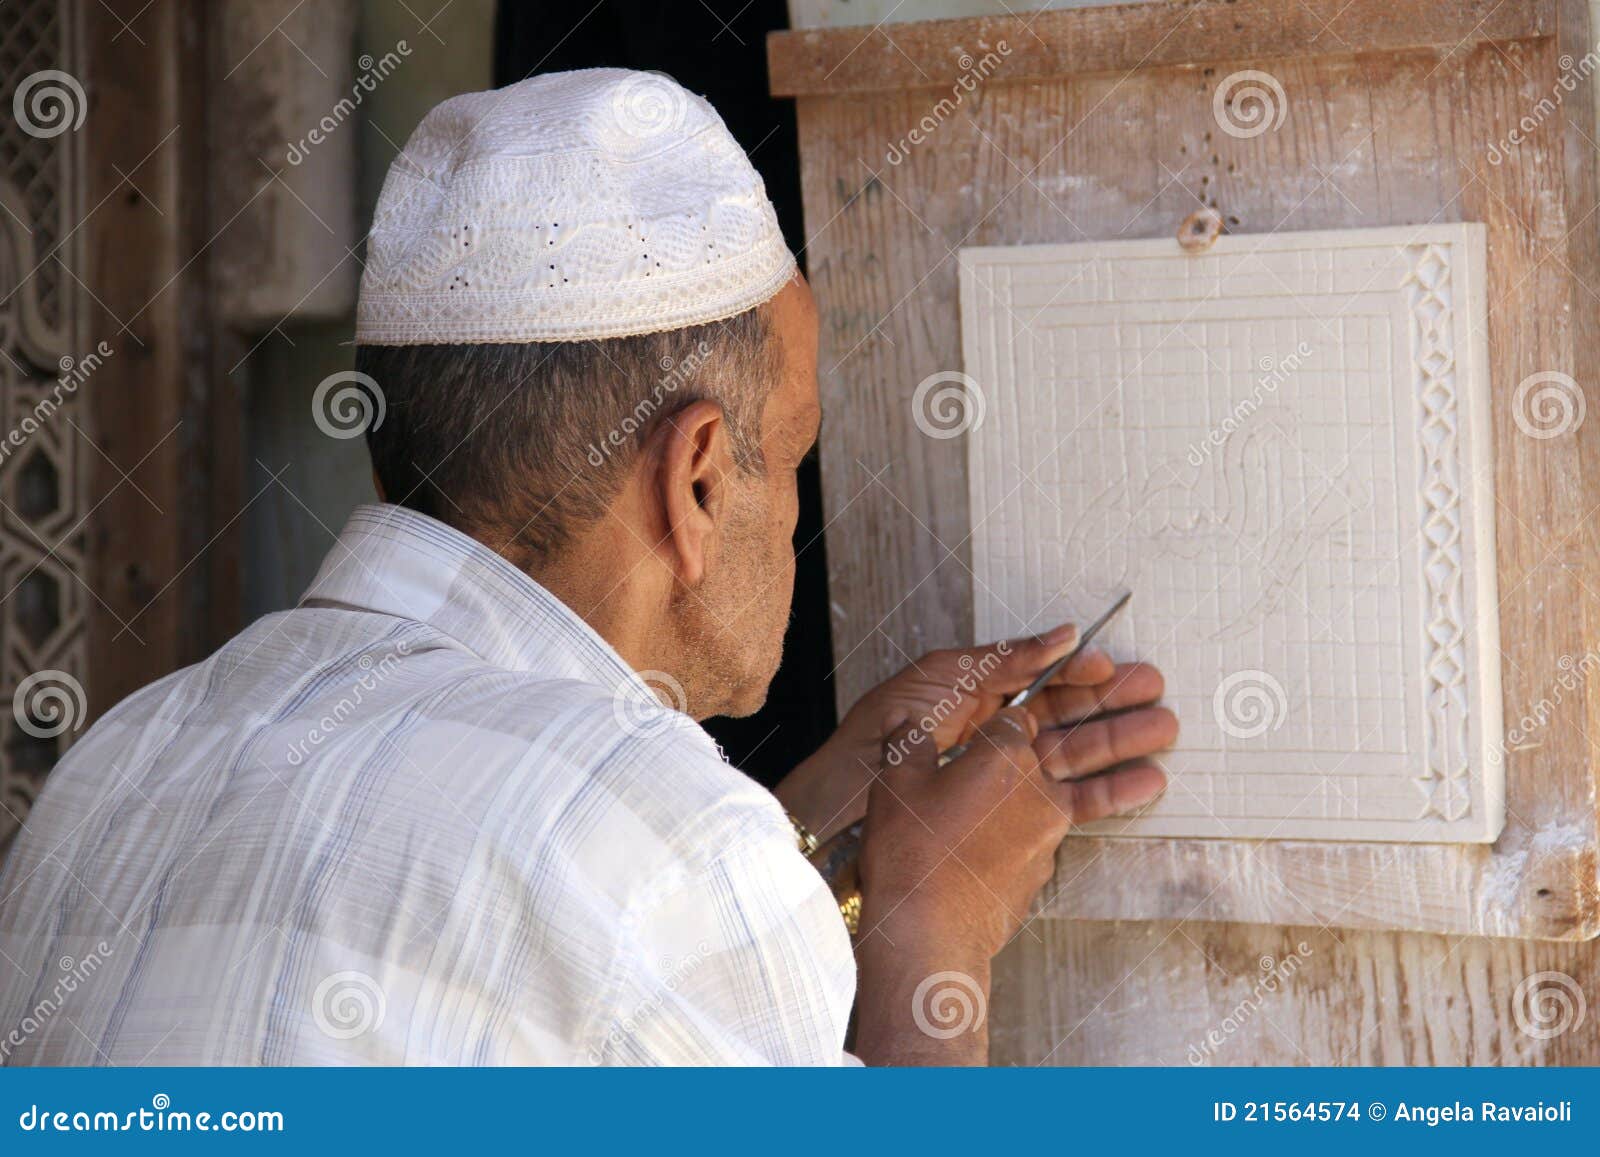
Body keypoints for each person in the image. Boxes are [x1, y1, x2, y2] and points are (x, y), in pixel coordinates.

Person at [0, 69, 1176, 1066]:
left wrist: (798, 830)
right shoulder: (672, 850)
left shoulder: (116, 764)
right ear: (700, 475)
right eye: (798, 449)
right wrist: (932, 938)